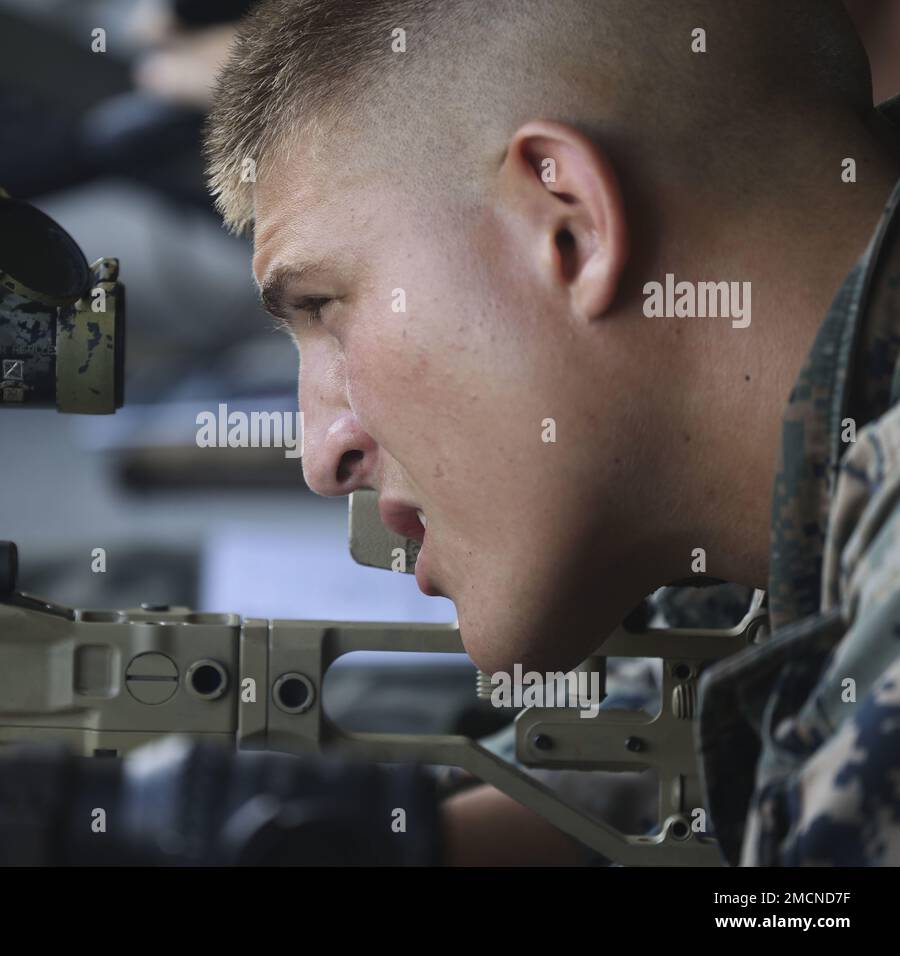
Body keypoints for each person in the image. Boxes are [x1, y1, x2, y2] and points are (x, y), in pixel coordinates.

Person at [204, 0, 900, 864]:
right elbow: (632, 778)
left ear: (565, 223)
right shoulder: (773, 550)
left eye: (323, 307)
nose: (323, 455)